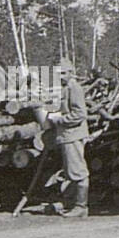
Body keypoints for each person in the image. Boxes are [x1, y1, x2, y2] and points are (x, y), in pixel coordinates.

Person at [45, 57, 90, 218]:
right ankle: (73, 204)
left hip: (73, 135)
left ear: (71, 73)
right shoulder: (64, 88)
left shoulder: (74, 88)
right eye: (58, 73)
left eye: (63, 73)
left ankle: (81, 207)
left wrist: (60, 120)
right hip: (66, 135)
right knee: (71, 171)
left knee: (78, 171)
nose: (60, 76)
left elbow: (80, 114)